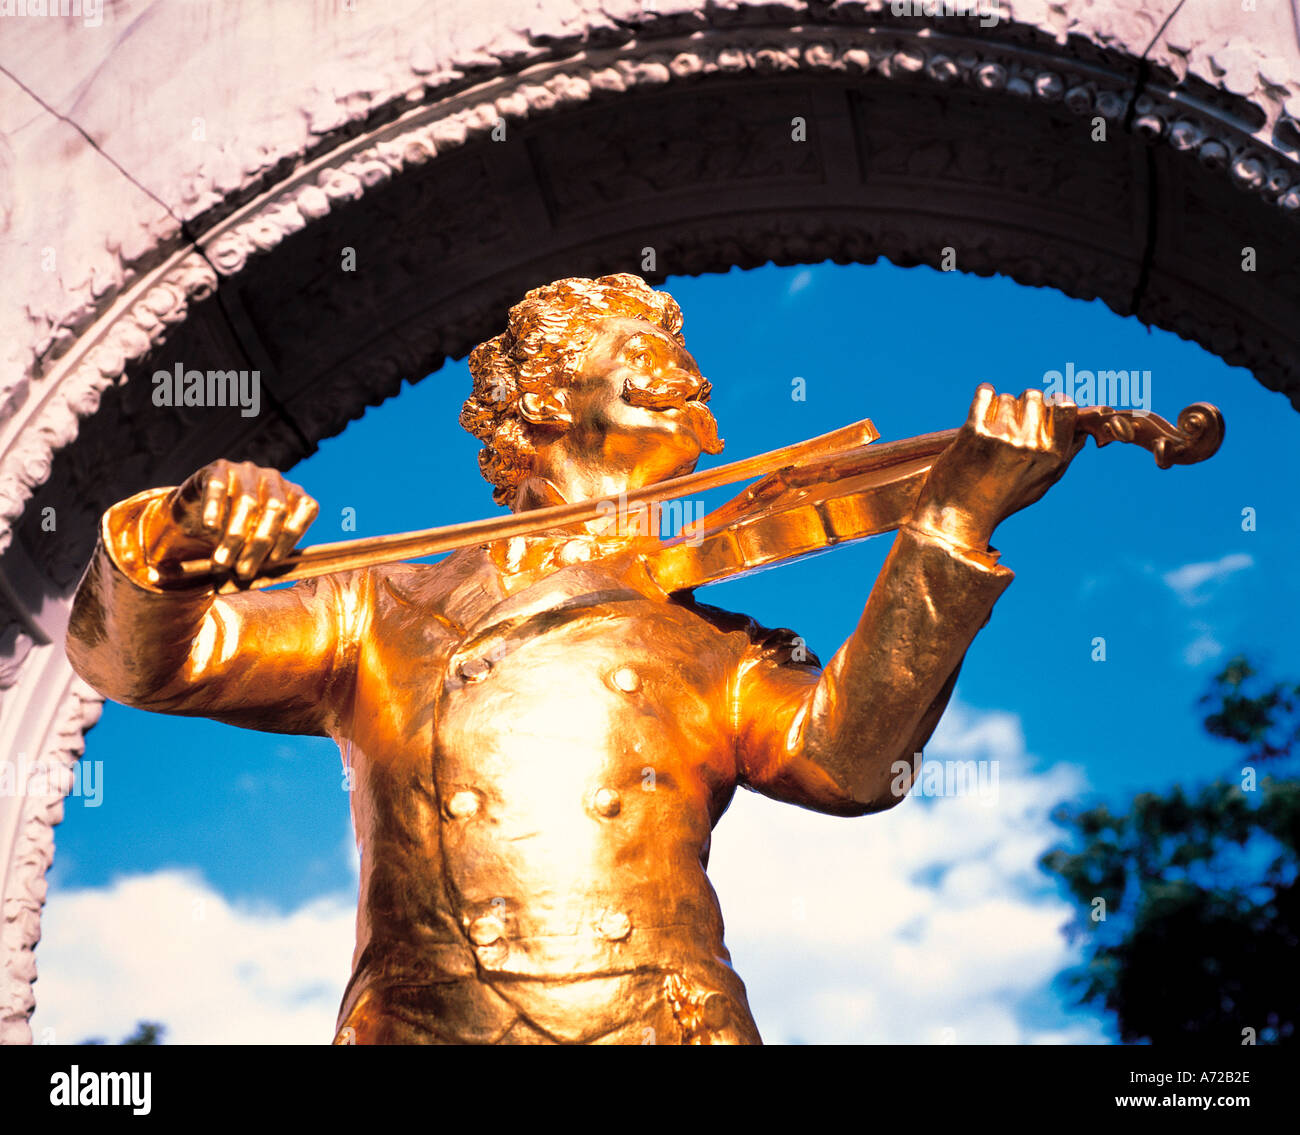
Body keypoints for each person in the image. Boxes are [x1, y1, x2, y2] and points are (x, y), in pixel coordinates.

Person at [66, 273, 1080, 1044]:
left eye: (689, 369)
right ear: (546, 401)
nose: (689, 379)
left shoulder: (713, 643)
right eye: (646, 357)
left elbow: (848, 761)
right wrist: (173, 541)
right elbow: (150, 663)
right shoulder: (380, 603)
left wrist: (946, 521)